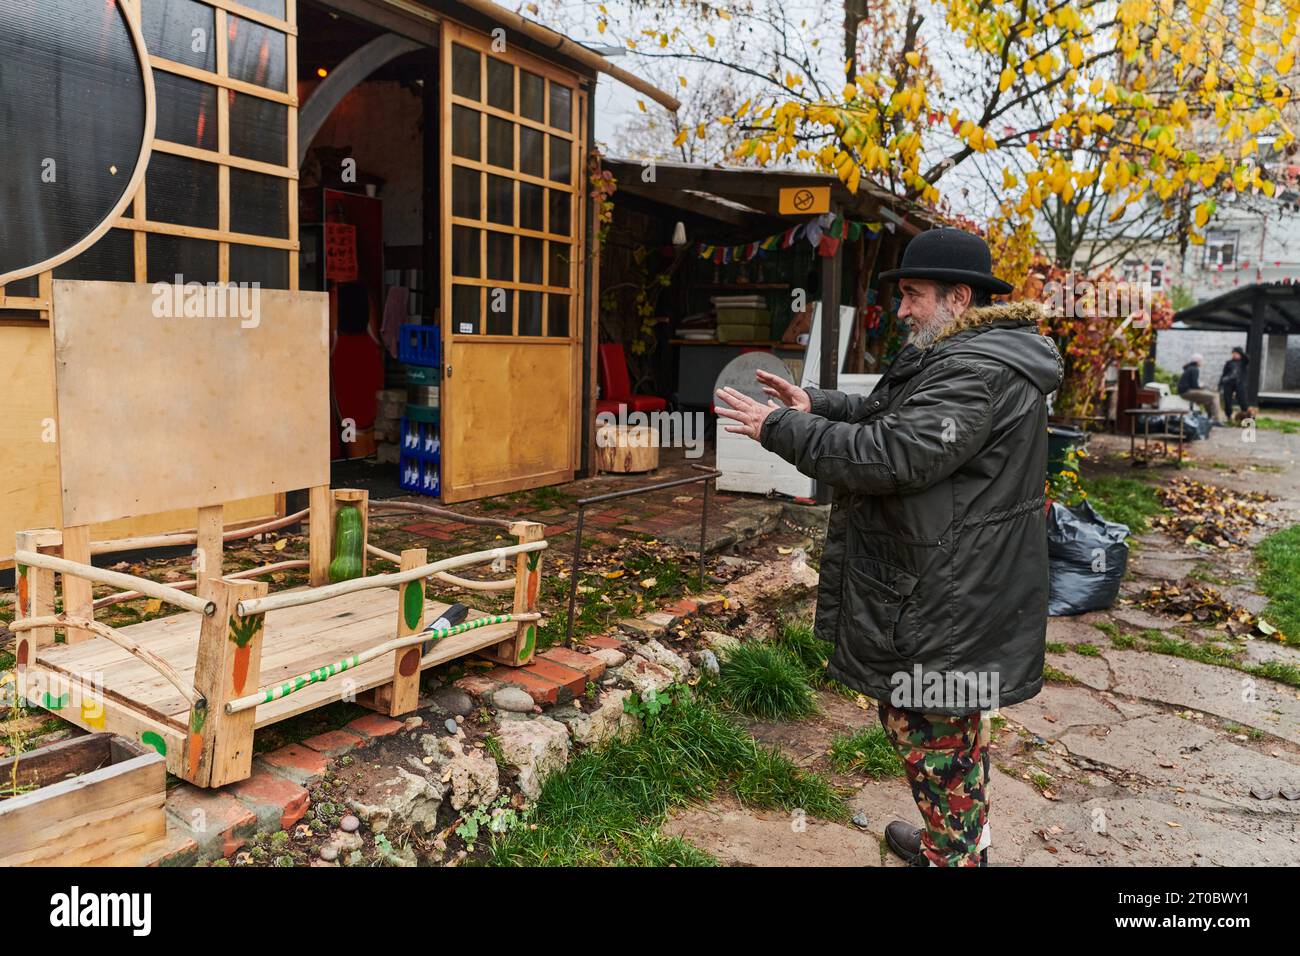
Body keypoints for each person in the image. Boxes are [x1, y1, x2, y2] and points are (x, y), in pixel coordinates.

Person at [714, 227, 1063, 867]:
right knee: (951, 728)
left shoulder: (976, 371)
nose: (901, 310)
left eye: (912, 295)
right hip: (965, 581)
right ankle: (956, 842)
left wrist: (778, 427)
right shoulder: (977, 355)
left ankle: (952, 857)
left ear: (959, 298)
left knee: (929, 726)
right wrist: (816, 404)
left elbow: (891, 455)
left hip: (950, 592)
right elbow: (901, 420)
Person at [1176, 353, 1224, 424]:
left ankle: (1210, 418)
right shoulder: (1195, 369)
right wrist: (1201, 386)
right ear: (1198, 361)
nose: (1202, 363)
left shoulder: (1189, 368)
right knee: (1215, 396)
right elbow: (1194, 385)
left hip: (1183, 391)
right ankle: (1215, 420)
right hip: (1187, 392)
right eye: (1201, 361)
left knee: (1207, 399)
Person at [1219, 347, 1250, 419]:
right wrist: (1220, 384)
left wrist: (1241, 353)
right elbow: (1224, 374)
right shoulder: (1229, 363)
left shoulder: (1243, 362)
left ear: (1240, 354)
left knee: (1242, 399)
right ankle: (1228, 416)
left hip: (1239, 383)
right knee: (1227, 400)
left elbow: (1247, 358)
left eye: (1236, 353)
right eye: (1233, 353)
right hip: (1228, 383)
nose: (1234, 355)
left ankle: (1246, 415)